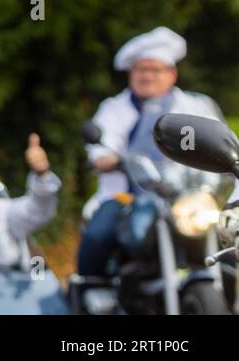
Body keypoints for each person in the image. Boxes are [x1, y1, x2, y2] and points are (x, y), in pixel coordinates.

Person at [76, 26, 224, 276]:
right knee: (97, 235)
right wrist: (108, 159)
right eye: (141, 69)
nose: (147, 76)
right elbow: (99, 151)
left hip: (188, 200)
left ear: (172, 74)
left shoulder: (196, 106)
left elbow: (219, 144)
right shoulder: (113, 109)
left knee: (227, 241)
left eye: (155, 69)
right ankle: (88, 289)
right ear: (131, 73)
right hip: (127, 198)